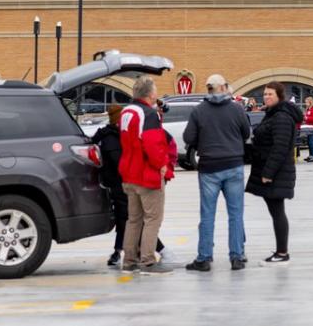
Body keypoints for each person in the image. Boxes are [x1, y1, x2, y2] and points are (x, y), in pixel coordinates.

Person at [183, 74, 252, 272]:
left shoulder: (199, 111)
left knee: (207, 215)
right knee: (236, 213)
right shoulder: (236, 109)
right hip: (233, 165)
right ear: (223, 87)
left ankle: (204, 258)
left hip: (209, 168)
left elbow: (189, 137)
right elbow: (246, 133)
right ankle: (237, 256)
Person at [94, 105, 170, 268]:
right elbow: (119, 161)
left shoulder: (111, 136)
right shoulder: (112, 138)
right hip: (121, 183)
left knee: (131, 220)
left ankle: (124, 254)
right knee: (141, 220)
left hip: (123, 182)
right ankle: (149, 256)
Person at [118, 76, 174, 273]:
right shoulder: (148, 114)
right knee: (152, 219)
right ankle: (148, 261)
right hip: (146, 175)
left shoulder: (127, 111)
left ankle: (129, 260)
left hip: (129, 173)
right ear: (151, 94)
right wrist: (162, 165)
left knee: (133, 219)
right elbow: (152, 143)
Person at [247, 81, 301, 262]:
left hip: (277, 174)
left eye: (270, 94)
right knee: (276, 211)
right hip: (273, 172)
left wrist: (268, 173)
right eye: (265, 94)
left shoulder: (281, 117)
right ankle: (281, 251)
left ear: (279, 96)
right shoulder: (273, 114)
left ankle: (282, 253)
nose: (266, 97)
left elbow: (280, 147)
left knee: (278, 212)